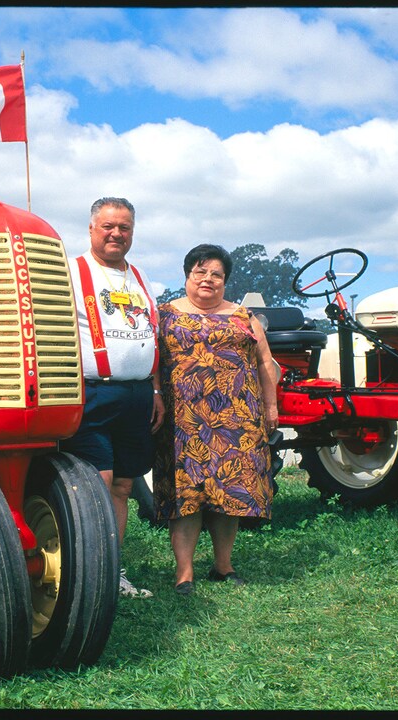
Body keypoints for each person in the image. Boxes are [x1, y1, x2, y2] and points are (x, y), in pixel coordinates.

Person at [152, 243, 278, 596]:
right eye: (200, 272)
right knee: (186, 496)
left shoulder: (243, 316)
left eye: (216, 274)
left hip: (236, 417)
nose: (208, 279)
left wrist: (271, 406)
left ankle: (223, 566)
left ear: (225, 280)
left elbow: (265, 362)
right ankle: (184, 573)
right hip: (183, 421)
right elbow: (150, 364)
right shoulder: (164, 314)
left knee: (229, 492)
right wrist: (156, 395)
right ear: (187, 275)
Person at [61, 197, 165, 598]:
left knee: (123, 485)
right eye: (108, 226)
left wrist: (155, 389)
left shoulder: (140, 277)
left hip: (138, 394)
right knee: (97, 483)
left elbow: (150, 337)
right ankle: (87, 571)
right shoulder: (71, 272)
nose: (116, 234)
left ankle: (113, 571)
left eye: (124, 228)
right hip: (93, 392)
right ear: (91, 229)